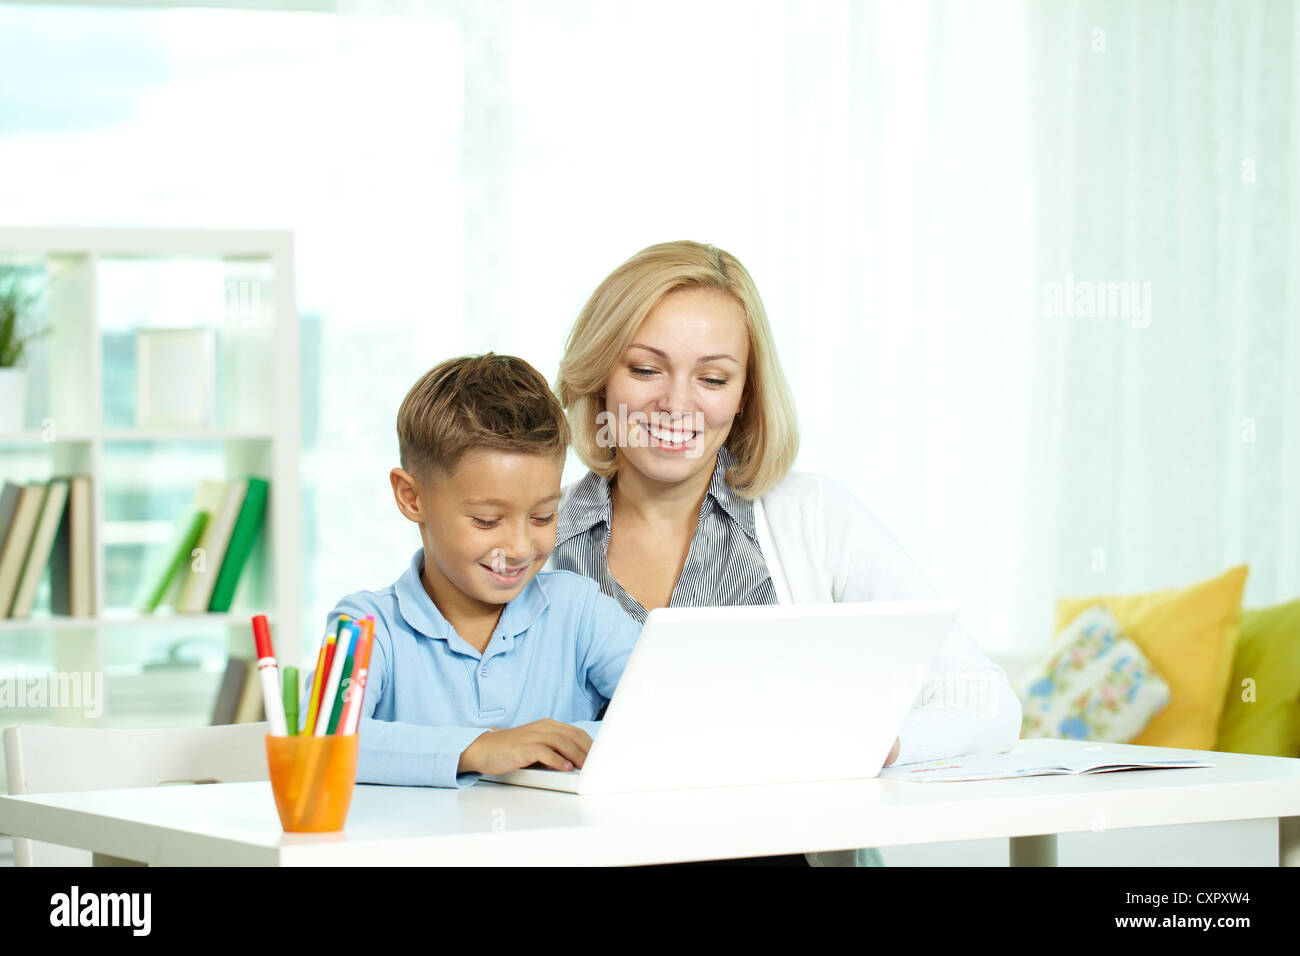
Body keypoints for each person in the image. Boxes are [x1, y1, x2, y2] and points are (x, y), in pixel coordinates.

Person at [548, 240, 1022, 866]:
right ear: (600, 375)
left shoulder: (814, 517)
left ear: (743, 395)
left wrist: (870, 742)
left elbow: (985, 702)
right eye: (644, 369)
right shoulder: (536, 538)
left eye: (713, 377)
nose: (676, 403)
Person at [300, 353, 642, 788]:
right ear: (411, 497)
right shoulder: (365, 626)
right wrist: (478, 749)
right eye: (486, 520)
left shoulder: (581, 611)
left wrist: (561, 742)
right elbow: (321, 741)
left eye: (542, 518)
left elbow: (674, 715)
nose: (519, 548)